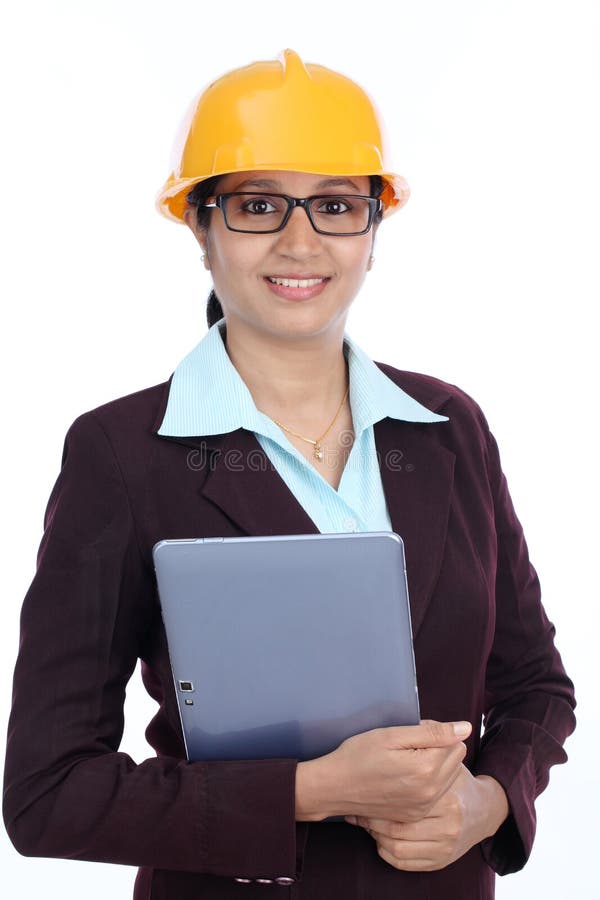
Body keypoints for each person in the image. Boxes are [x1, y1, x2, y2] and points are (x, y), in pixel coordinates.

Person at [3, 49, 575, 900]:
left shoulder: (451, 428)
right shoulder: (121, 453)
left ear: (374, 231)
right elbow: (48, 793)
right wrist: (311, 793)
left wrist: (487, 803)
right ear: (200, 228)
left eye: (337, 206)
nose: (301, 240)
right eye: (258, 205)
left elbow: (535, 683)